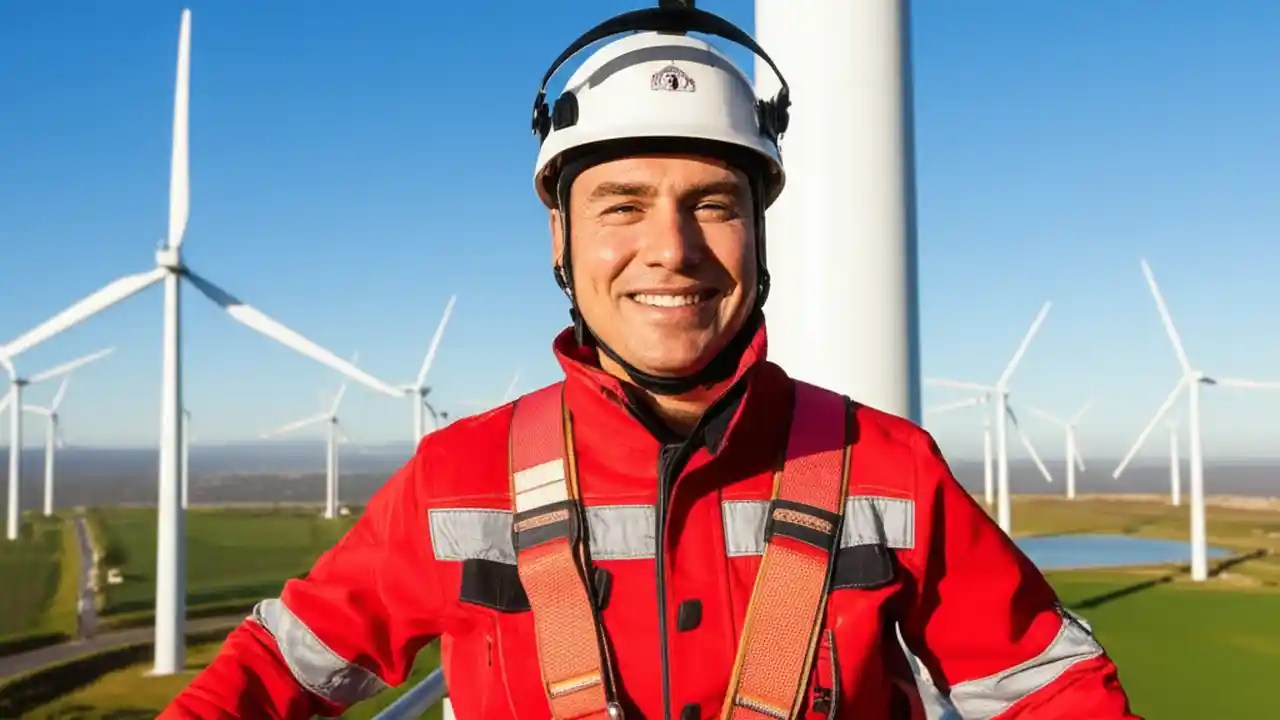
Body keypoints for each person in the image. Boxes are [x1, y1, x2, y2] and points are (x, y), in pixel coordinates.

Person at [163, 4, 1137, 719]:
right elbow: (281, 667)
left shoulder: (888, 469)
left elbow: (1049, 689)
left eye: (713, 204)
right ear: (560, 239)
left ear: (759, 235)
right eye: (621, 205)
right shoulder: (455, 480)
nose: (671, 249)